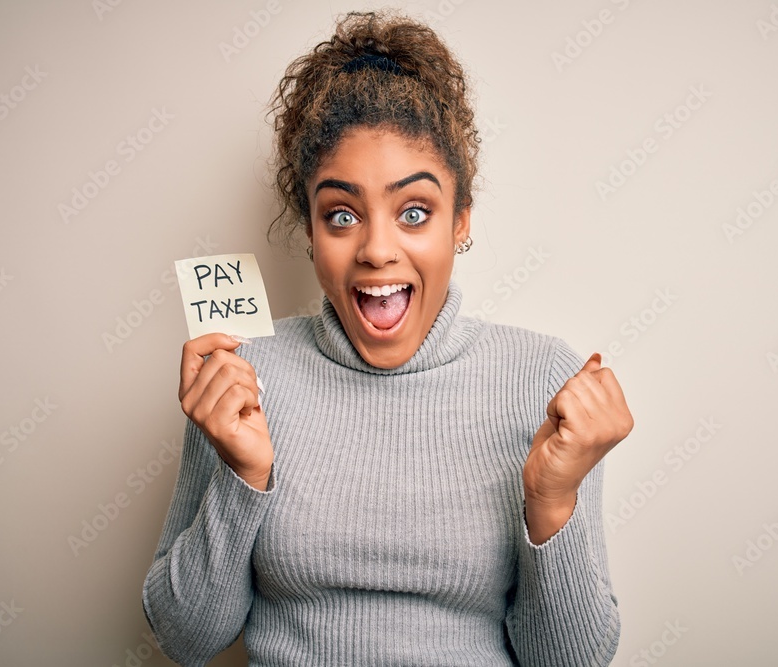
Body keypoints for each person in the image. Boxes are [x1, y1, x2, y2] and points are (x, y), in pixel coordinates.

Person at [142, 10, 633, 666]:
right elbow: (185, 638)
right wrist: (242, 474)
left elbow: (570, 661)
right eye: (342, 215)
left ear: (460, 221)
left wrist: (554, 499)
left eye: (414, 212)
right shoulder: (243, 376)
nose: (377, 249)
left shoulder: (545, 382)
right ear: (310, 232)